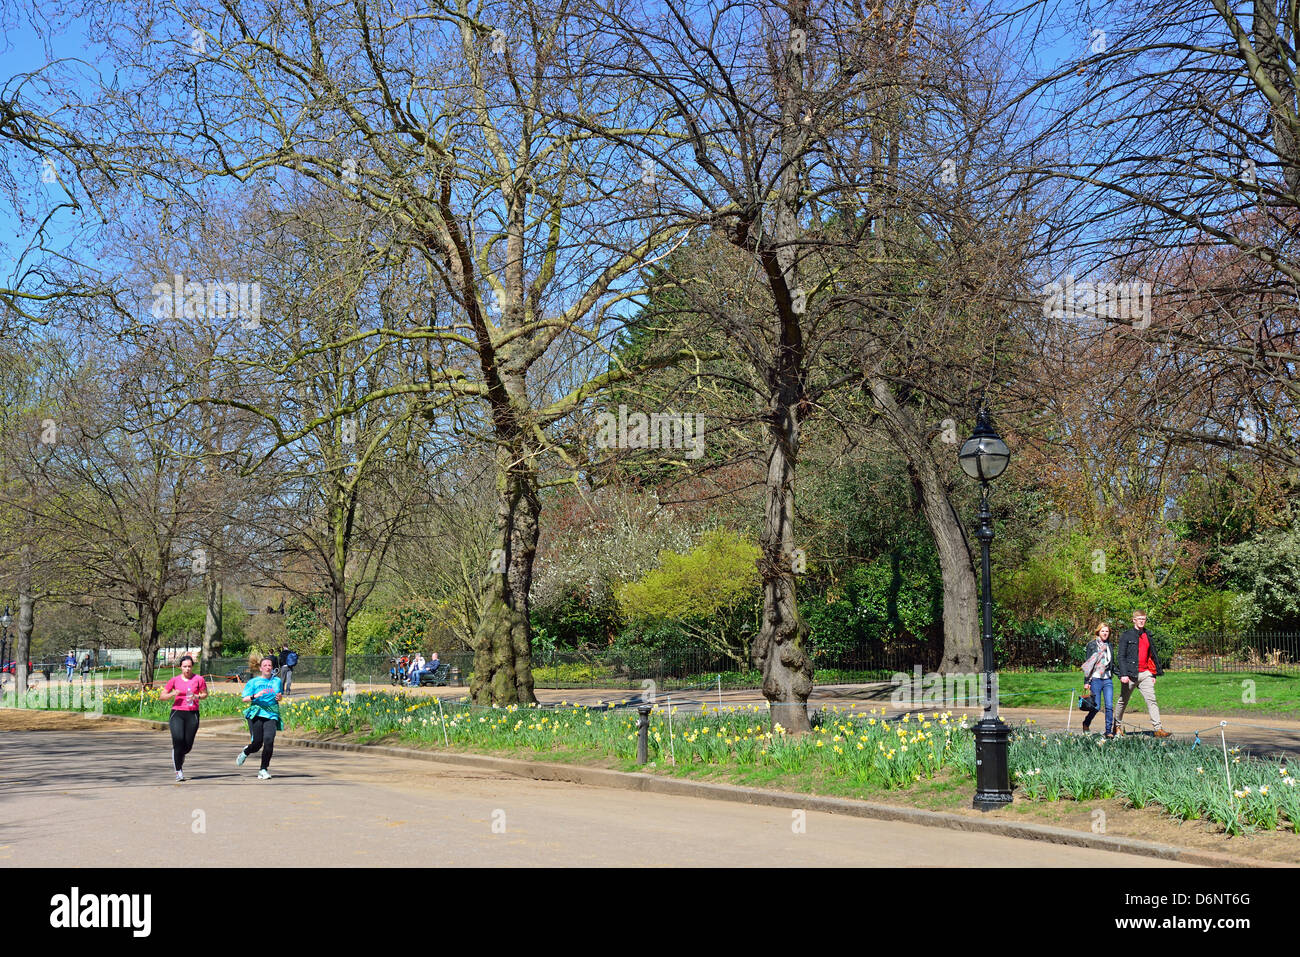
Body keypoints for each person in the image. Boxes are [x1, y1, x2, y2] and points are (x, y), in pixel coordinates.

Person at [1114, 610, 1170, 737]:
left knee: (1152, 701)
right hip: (1130, 674)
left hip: (1145, 674)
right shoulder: (1127, 635)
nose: (1141, 621)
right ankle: (1116, 727)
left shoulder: (1148, 635)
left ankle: (1158, 729)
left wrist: (1153, 674)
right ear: (1134, 620)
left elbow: (1152, 655)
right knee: (1123, 701)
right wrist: (1123, 674)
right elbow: (1121, 656)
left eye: (1143, 619)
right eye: (1139, 618)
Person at [160, 654, 208, 782]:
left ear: (192, 667)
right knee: (178, 740)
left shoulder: (199, 679)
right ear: (180, 667)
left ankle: (180, 753)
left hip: (192, 714)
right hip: (177, 713)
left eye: (189, 666)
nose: (187, 669)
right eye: (185, 666)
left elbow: (205, 694)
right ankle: (178, 771)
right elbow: (162, 696)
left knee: (187, 746)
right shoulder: (174, 680)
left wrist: (196, 697)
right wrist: (173, 693)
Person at [237, 657, 284, 779]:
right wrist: (255, 696)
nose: (268, 667)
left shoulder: (277, 681)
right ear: (260, 668)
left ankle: (263, 769)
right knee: (257, 744)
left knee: (269, 741)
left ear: (272, 668)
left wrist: (280, 698)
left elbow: (279, 695)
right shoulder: (254, 682)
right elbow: (244, 698)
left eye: (270, 665)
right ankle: (246, 751)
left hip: (271, 714)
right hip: (257, 713)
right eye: (265, 665)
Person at [1080, 623, 1115, 737]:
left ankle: (1108, 731)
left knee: (1109, 706)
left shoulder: (1109, 646)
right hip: (1095, 678)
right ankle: (1086, 723)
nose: (1105, 633)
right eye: (1103, 631)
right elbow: (1088, 664)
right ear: (1098, 632)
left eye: (1107, 631)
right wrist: (1086, 682)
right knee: (1096, 707)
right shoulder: (1092, 645)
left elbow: (1112, 663)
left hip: (1107, 679)